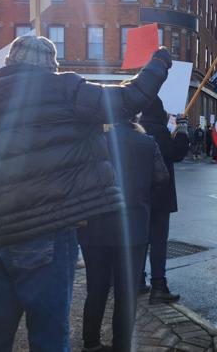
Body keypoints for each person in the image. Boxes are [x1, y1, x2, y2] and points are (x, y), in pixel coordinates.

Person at [0, 37, 172, 352]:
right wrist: (158, 64)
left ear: (9, 64)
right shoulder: (65, 90)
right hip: (46, 232)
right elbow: (128, 100)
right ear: (51, 66)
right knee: (48, 336)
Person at [78, 116, 170, 352]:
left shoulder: (93, 142)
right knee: (126, 293)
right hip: (133, 228)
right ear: (135, 118)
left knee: (96, 289)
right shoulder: (147, 143)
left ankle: (91, 343)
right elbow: (161, 178)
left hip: (95, 227)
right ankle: (122, 345)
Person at [140, 97, 190, 305]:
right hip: (160, 196)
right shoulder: (159, 132)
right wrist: (183, 131)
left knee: (141, 241)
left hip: (139, 197)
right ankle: (159, 285)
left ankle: (137, 280)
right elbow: (176, 153)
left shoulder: (138, 130)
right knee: (159, 242)